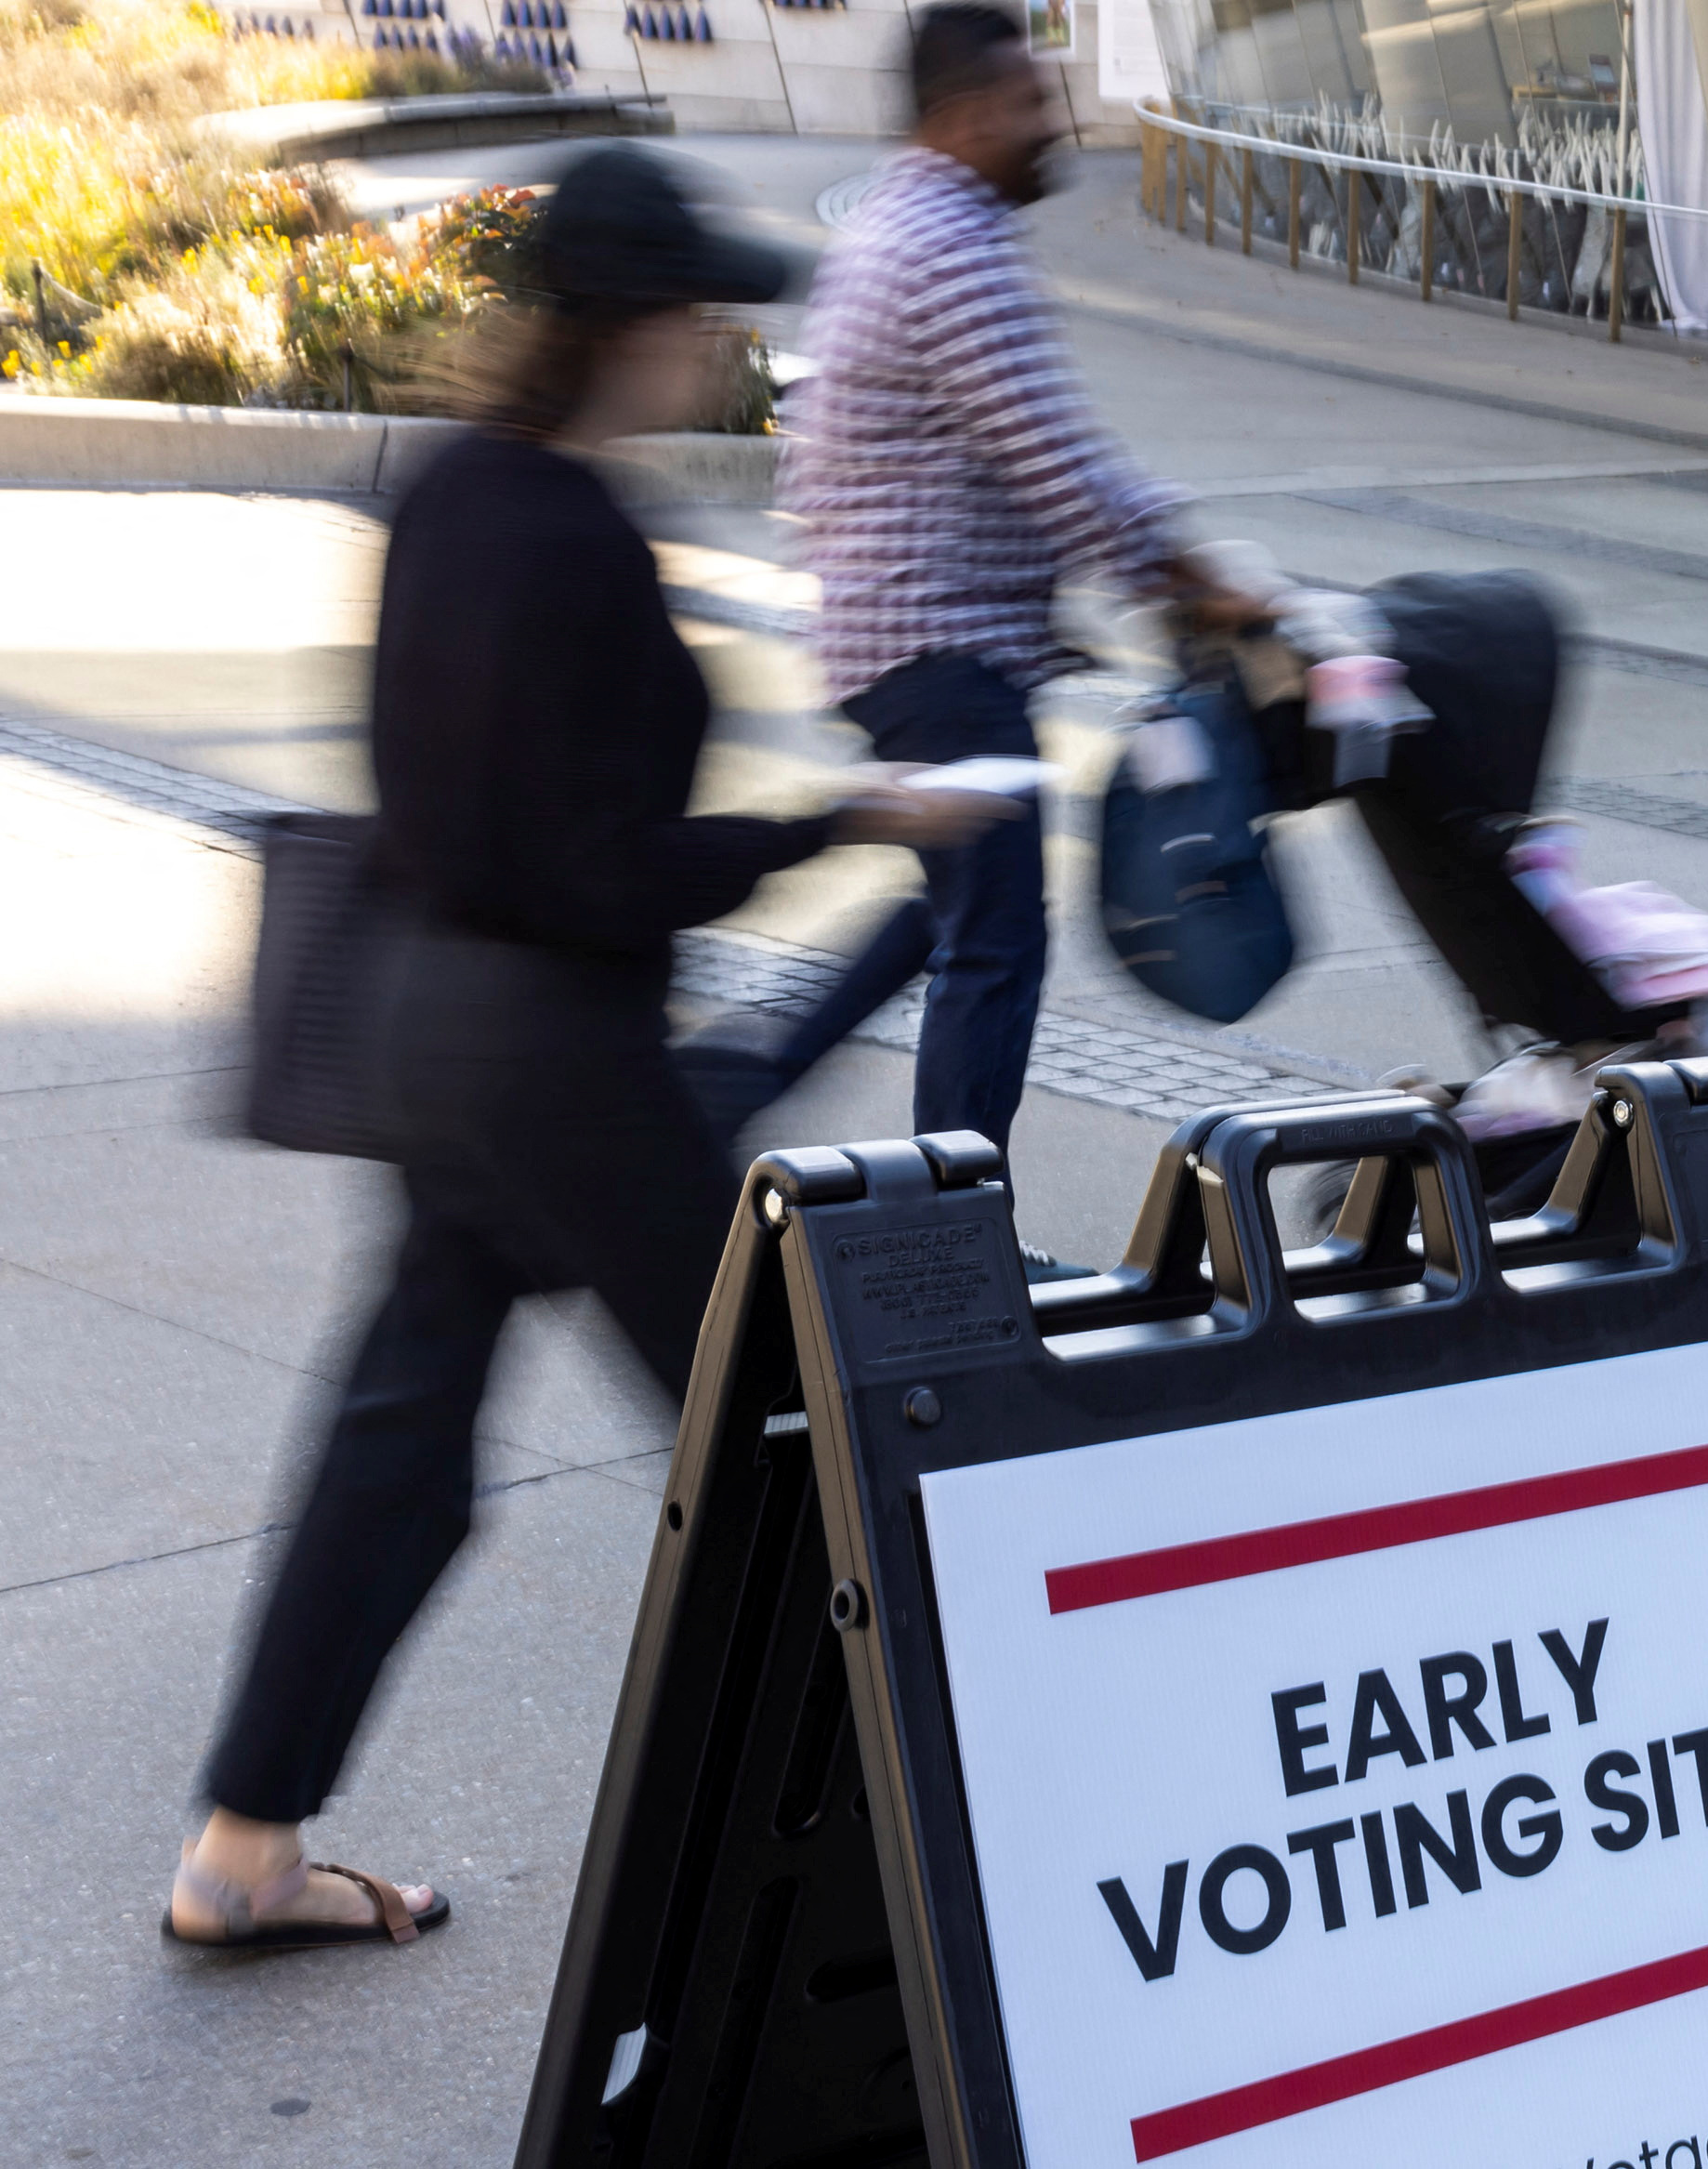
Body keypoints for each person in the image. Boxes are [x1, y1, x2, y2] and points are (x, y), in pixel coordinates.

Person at [165, 148, 1003, 1950]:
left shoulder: (445, 490)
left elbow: (454, 809)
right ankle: (929, 1833)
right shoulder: (580, 536)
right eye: (699, 316)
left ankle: (243, 1844)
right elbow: (605, 872)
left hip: (417, 1033)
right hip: (553, 1055)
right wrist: (841, 821)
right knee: (784, 1426)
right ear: (628, 326)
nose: (718, 348)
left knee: (401, 1448)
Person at [781, 0, 1219, 1163]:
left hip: (907, 642)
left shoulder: (907, 223)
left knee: (951, 908)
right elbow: (1059, 460)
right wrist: (1200, 583)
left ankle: (742, 1076)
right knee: (997, 939)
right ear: (965, 117)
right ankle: (952, 1220)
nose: (1052, 125)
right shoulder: (950, 249)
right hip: (938, 655)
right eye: (1031, 104)